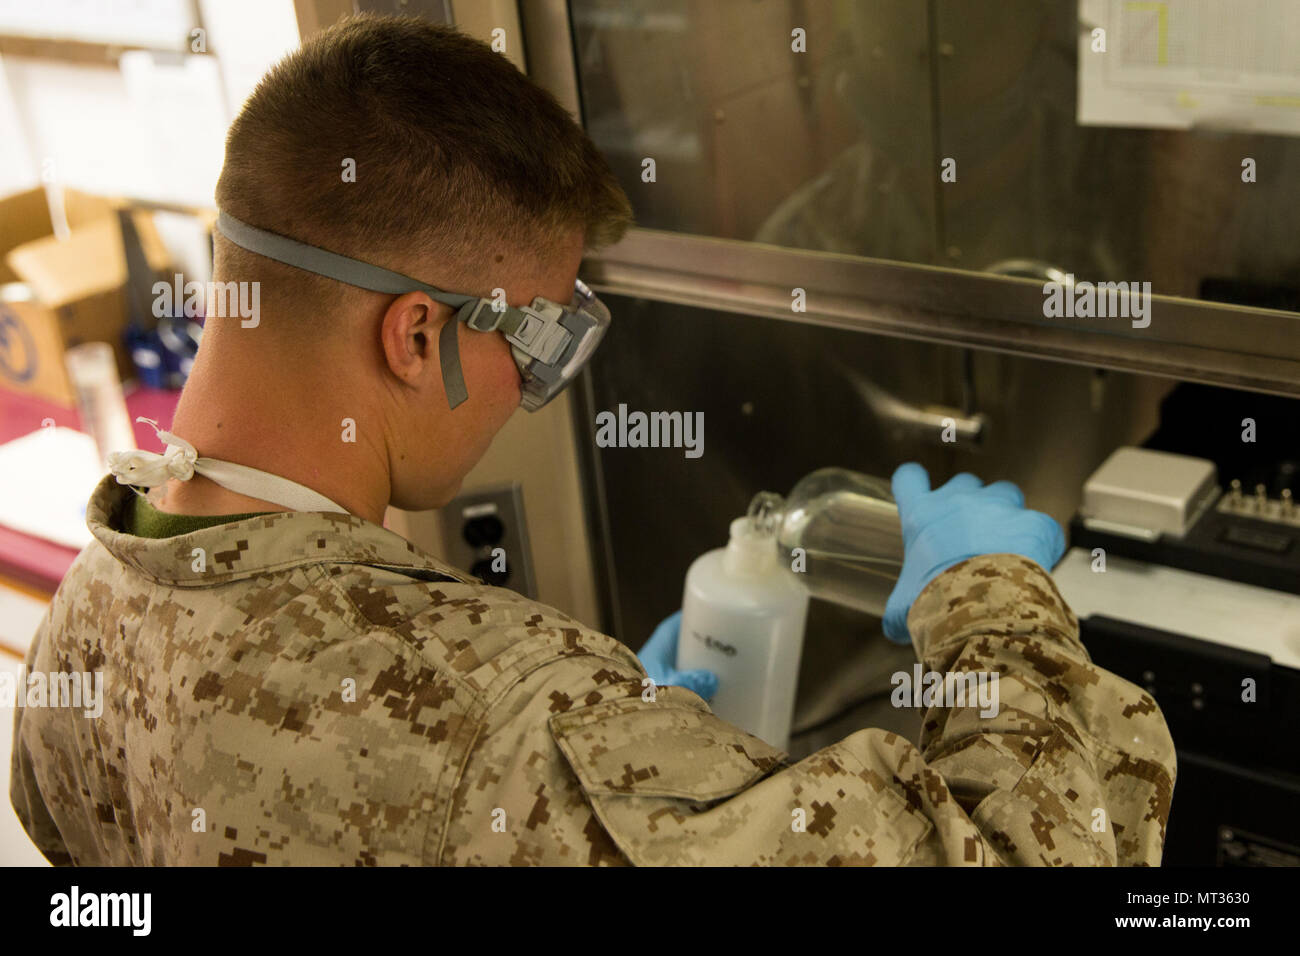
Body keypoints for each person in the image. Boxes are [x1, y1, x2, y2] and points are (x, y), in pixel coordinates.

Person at [11, 15, 1173, 866]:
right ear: (418, 334)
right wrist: (989, 596)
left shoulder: (88, 613)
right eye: (542, 333)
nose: (536, 381)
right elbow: (1038, 849)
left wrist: (641, 762)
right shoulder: (498, 716)